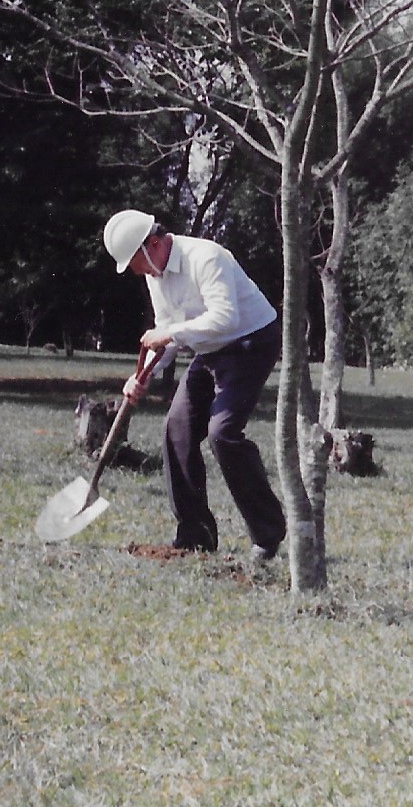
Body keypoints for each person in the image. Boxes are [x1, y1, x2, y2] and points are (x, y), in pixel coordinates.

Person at [102, 208, 286, 561]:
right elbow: (166, 336)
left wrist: (169, 333)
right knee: (177, 429)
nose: (135, 272)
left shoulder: (206, 257)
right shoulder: (154, 274)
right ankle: (195, 535)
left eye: (134, 263)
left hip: (250, 343)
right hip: (209, 351)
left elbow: (223, 318)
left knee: (223, 433)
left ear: (153, 244)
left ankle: (267, 534)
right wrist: (143, 376)